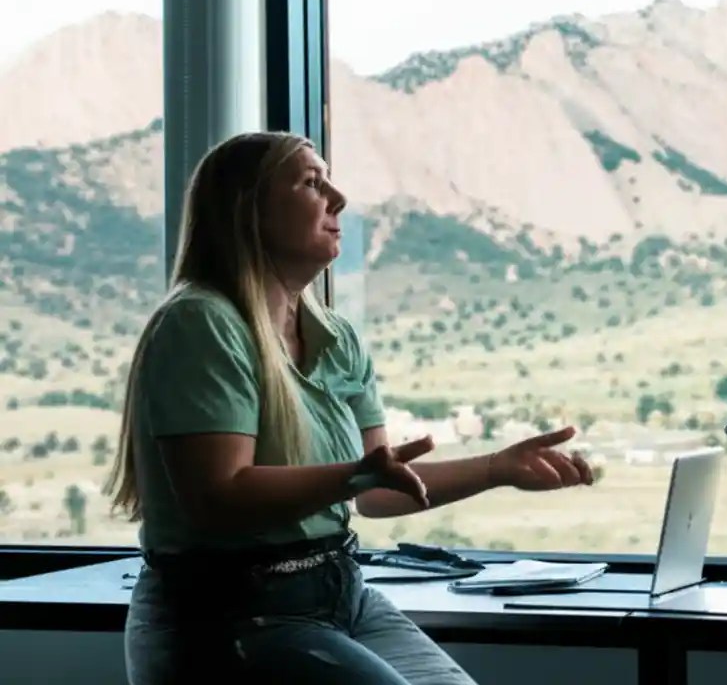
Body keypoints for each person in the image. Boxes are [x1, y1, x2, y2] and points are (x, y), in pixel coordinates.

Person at [105, 131, 595, 685]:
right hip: (226, 615)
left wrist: (497, 469)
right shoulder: (201, 322)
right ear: (249, 210)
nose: (338, 198)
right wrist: (355, 475)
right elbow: (219, 497)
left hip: (343, 597)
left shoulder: (337, 338)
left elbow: (377, 491)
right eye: (312, 183)